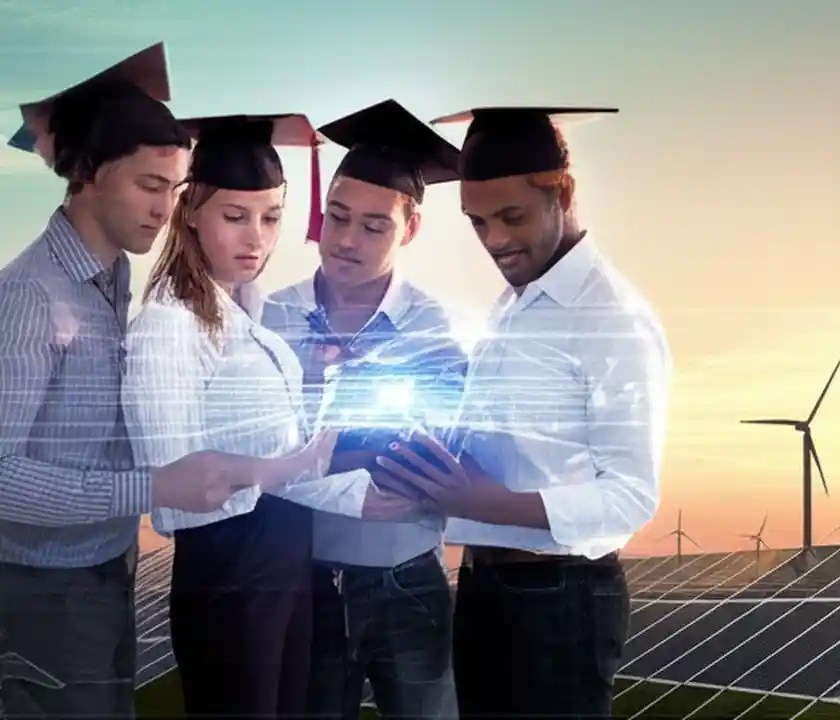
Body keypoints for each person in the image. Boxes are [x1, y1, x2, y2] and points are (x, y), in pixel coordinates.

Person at [0, 43, 319, 719]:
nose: (164, 208)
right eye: (150, 185)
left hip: (103, 568)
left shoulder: (109, 277)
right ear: (86, 172)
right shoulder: (32, 295)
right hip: (42, 587)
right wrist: (156, 486)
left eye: (173, 189)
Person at [120, 113, 427, 719]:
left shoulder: (247, 317)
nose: (255, 238)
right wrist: (297, 461)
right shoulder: (167, 327)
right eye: (234, 216)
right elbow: (175, 492)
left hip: (286, 564)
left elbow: (286, 466)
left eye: (271, 216)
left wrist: (355, 496)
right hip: (228, 573)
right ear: (189, 211)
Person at [377, 106, 672, 718]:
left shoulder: (610, 318)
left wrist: (485, 503)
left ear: (562, 193)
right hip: (487, 591)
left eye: (512, 216)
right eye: (476, 222)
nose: (494, 240)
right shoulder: (512, 307)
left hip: (560, 602)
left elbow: (629, 496)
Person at [261, 98, 468, 720]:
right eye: (337, 216)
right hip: (303, 580)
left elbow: (425, 459)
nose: (346, 240)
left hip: (406, 577)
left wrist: (312, 448)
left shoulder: (431, 328)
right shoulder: (271, 317)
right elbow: (251, 450)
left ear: (410, 229)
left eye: (374, 225)